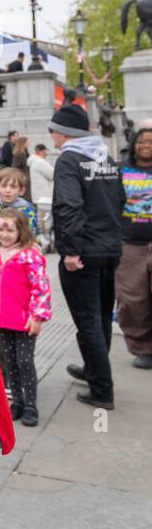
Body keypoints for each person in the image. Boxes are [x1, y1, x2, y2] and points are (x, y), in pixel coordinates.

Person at [50, 103, 123, 410]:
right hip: (110, 247)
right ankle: (94, 370)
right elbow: (119, 198)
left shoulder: (69, 159)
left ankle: (102, 390)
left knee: (88, 320)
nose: (52, 135)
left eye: (53, 130)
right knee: (102, 315)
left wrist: (71, 250)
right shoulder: (105, 156)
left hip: (84, 252)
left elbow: (69, 206)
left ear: (64, 133)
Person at [0, 208, 51, 426]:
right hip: (0, 321)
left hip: (24, 322)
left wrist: (37, 317)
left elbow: (41, 288)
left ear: (21, 231)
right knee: (10, 363)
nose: (4, 234)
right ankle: (17, 402)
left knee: (25, 362)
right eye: (0, 229)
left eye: (10, 230)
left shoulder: (30, 255)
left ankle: (30, 405)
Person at [116, 125, 152, 369]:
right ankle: (143, 348)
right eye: (142, 142)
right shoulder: (120, 169)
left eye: (150, 142)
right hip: (128, 243)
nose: (146, 146)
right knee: (131, 300)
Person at [0, 167, 38, 236]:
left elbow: (30, 233)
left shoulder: (28, 210)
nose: (8, 190)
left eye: (13, 187)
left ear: (21, 191)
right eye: (4, 186)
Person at [29, 143, 55, 250]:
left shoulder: (34, 162)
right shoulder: (39, 162)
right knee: (45, 222)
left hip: (40, 197)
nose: (47, 153)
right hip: (45, 197)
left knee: (43, 221)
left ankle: (46, 243)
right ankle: (46, 244)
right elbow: (53, 174)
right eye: (45, 151)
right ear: (39, 151)